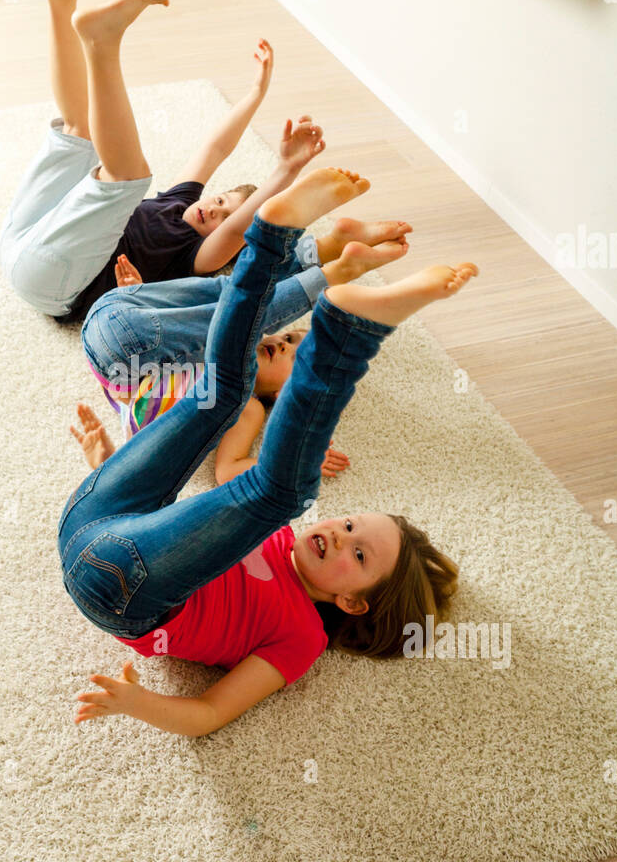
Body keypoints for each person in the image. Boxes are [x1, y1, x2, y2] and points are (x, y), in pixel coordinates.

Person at [58, 164, 475, 736]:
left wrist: (136, 704)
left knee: (282, 492)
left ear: (353, 604)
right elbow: (170, 521)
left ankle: (352, 332)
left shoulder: (300, 638)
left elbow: (208, 715)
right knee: (222, 390)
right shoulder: (278, 542)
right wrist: (107, 460)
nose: (341, 535)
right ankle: (272, 234)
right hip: (94, 519)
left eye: (358, 557)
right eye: (352, 524)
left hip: (122, 593)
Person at [0, 0, 325, 321]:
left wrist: (287, 170)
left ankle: (103, 43)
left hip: (54, 283)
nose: (213, 212)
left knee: (127, 178)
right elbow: (215, 149)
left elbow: (242, 225)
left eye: (222, 219)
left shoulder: (195, 258)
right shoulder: (180, 200)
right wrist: (255, 93)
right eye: (220, 202)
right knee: (78, 128)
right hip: (24, 236)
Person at [72, 215, 413, 483]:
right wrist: (150, 304)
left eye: (293, 354)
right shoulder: (234, 350)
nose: (281, 343)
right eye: (290, 337)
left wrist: (295, 459)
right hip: (132, 311)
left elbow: (228, 471)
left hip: (125, 347)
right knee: (233, 295)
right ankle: (324, 250)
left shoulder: (247, 406)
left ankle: (330, 267)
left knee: (241, 312)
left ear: (285, 393)